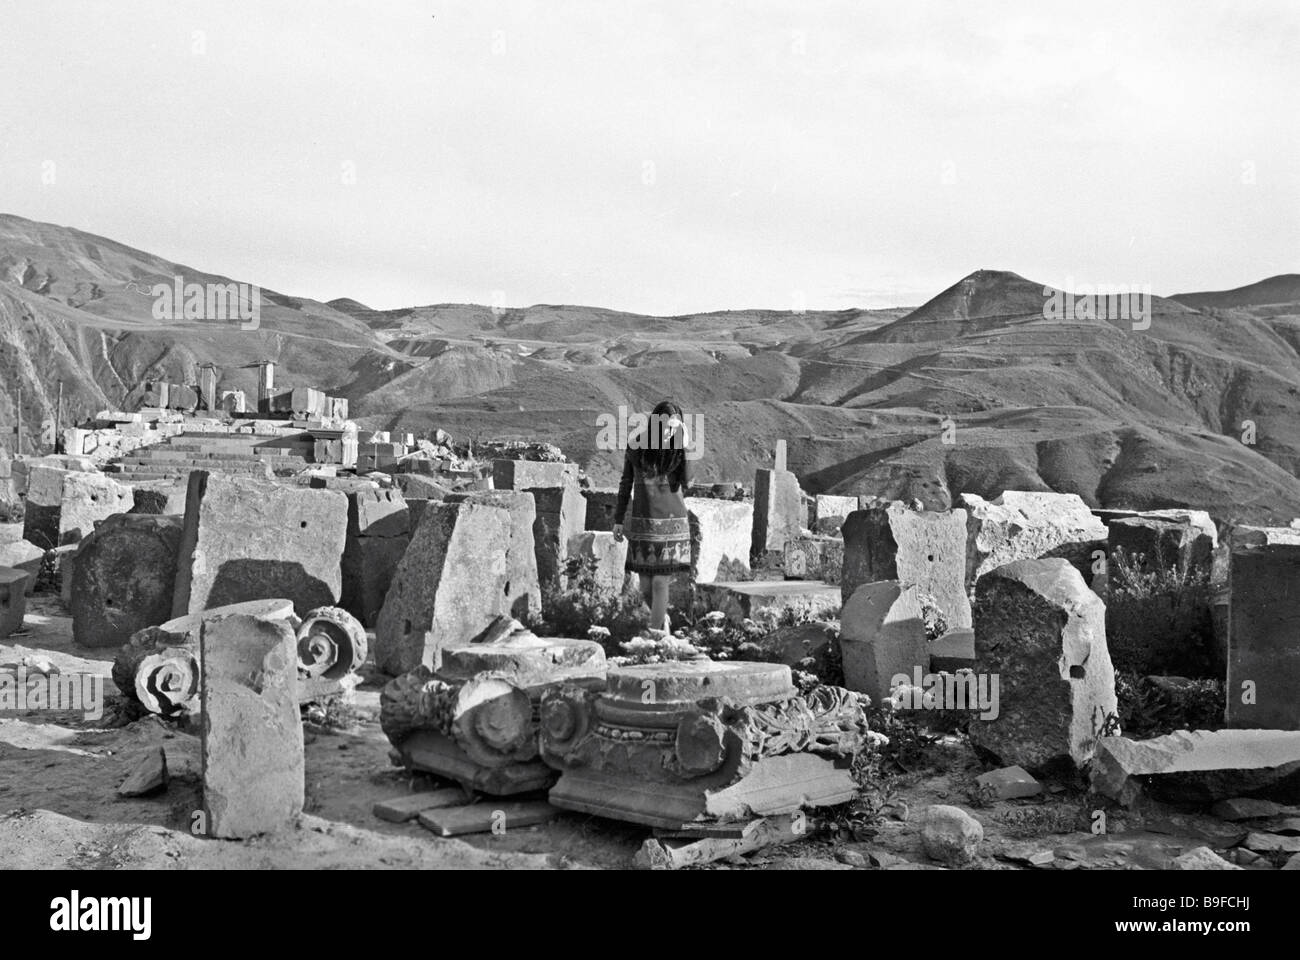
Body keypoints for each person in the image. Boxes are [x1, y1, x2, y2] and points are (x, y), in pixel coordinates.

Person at [612, 399, 692, 636]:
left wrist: (684, 443)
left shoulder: (678, 450)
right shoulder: (636, 447)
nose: (668, 430)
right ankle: (662, 619)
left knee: (659, 582)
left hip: (673, 523)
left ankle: (654, 636)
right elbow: (626, 483)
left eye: (674, 425)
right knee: (645, 586)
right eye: (665, 425)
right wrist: (618, 518)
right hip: (643, 523)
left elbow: (687, 481)